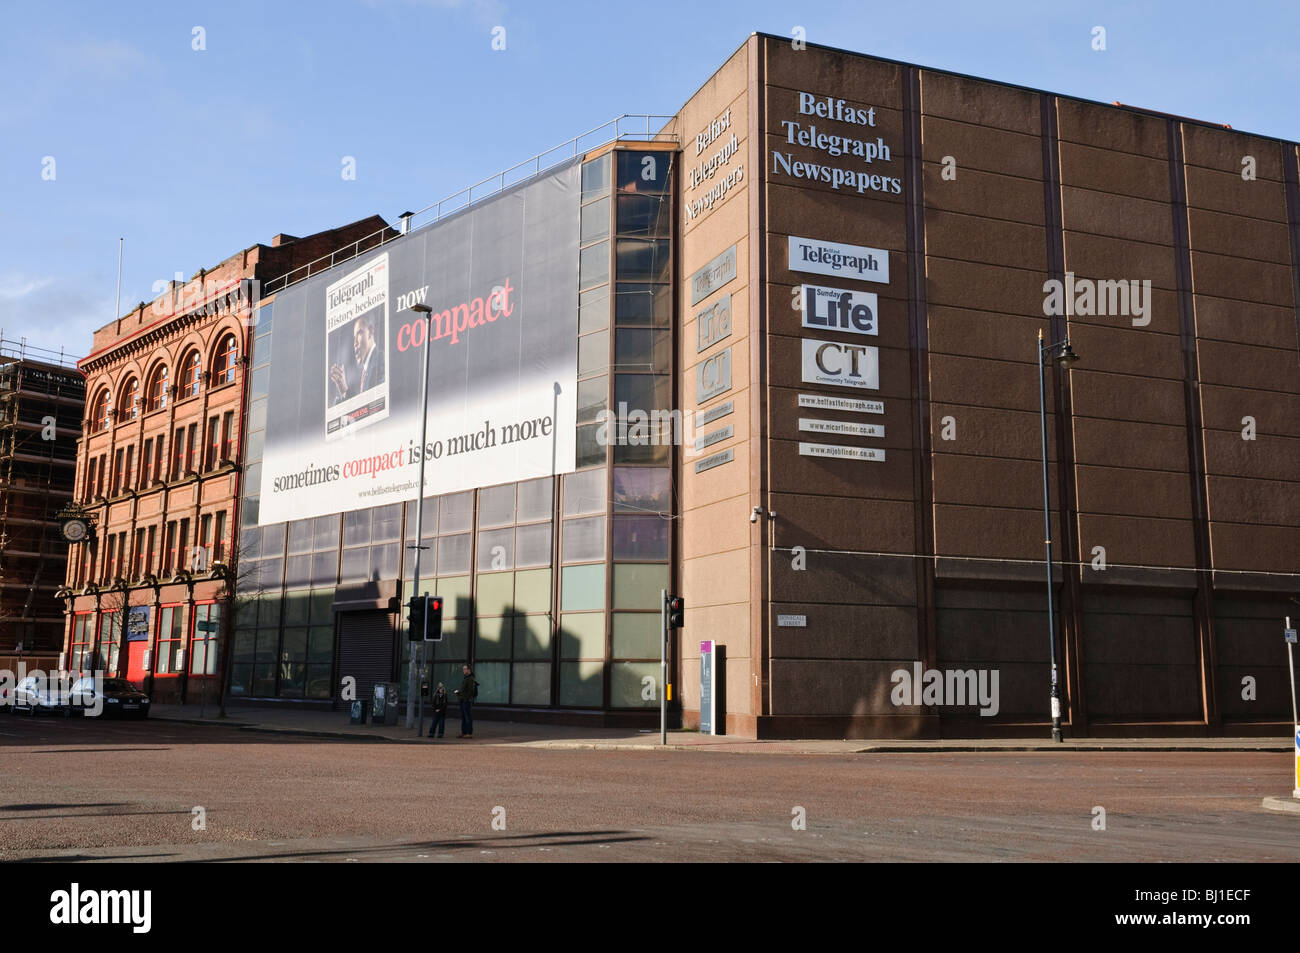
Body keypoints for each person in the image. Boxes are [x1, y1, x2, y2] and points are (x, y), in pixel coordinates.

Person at [329, 314, 385, 403]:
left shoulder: (381, 360)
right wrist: (343, 388)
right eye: (354, 338)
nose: (355, 343)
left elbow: (376, 403)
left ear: (370, 332)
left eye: (359, 333)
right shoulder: (366, 370)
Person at [454, 664, 478, 738]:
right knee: (463, 717)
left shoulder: (470, 679)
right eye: (463, 669)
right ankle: (464, 732)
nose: (463, 670)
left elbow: (471, 691)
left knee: (467, 717)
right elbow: (465, 690)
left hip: (466, 701)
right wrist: (459, 693)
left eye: (465, 669)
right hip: (462, 700)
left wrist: (465, 698)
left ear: (468, 670)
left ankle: (469, 733)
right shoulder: (466, 678)